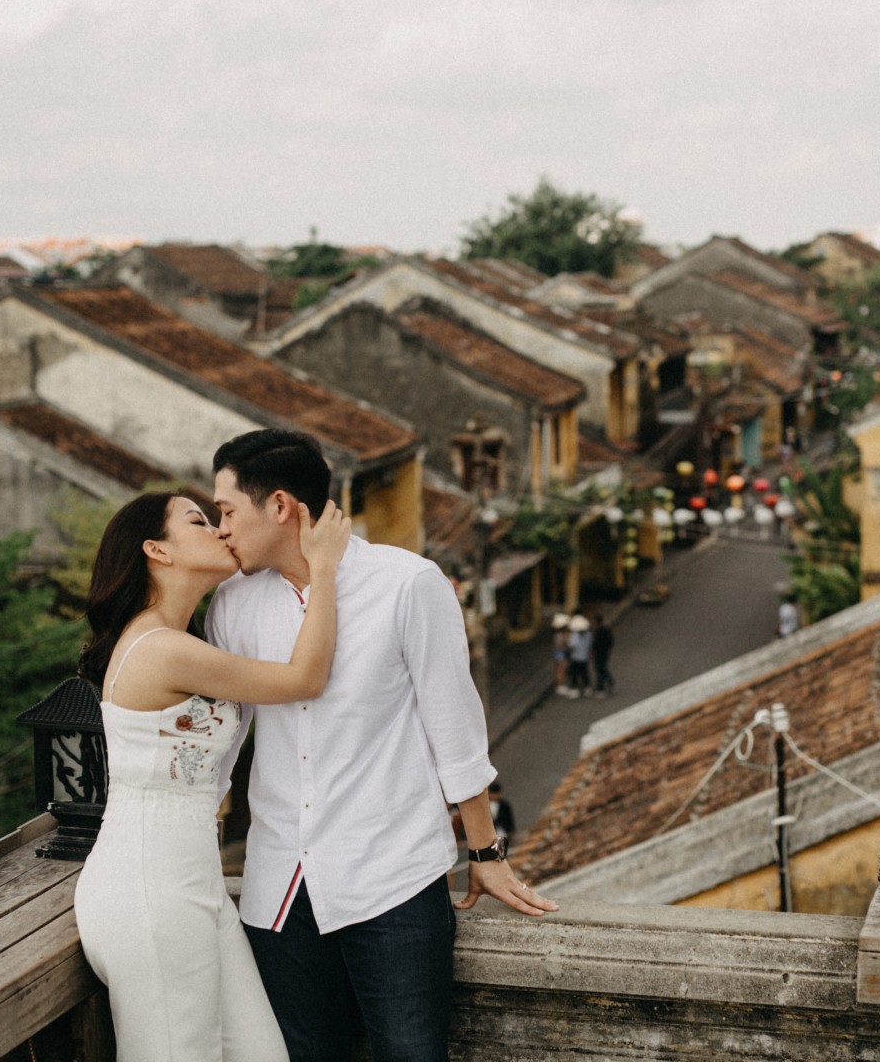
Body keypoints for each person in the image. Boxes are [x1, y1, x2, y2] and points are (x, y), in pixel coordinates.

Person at [206, 429, 557, 1062]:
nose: (220, 528)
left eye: (228, 511)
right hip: (278, 887)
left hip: (392, 879)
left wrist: (486, 851)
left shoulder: (408, 584)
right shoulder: (231, 604)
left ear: (281, 506)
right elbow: (223, 746)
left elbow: (454, 727)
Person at [73, 489, 351, 1062]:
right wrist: (323, 568)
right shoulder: (159, 649)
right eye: (199, 521)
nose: (221, 531)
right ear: (157, 550)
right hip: (149, 888)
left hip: (194, 882)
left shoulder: (185, 641)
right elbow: (304, 678)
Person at [566, 614, 593, 695]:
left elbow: (572, 645)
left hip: (576, 657)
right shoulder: (588, 634)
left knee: (575, 674)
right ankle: (587, 688)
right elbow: (589, 645)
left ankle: (575, 689)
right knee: (584, 673)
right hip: (584, 657)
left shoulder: (575, 635)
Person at [590, 613, 616, 696]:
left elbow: (595, 644)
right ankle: (600, 685)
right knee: (601, 669)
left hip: (599, 653)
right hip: (604, 652)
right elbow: (611, 642)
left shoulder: (598, 631)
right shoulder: (606, 629)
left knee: (601, 669)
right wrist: (609, 652)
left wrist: (592, 653)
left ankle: (609, 683)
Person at [551, 612, 573, 697]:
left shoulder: (556, 634)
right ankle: (561, 686)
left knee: (558, 670)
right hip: (561, 654)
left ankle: (558, 686)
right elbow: (566, 644)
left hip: (557, 653)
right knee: (561, 671)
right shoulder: (562, 635)